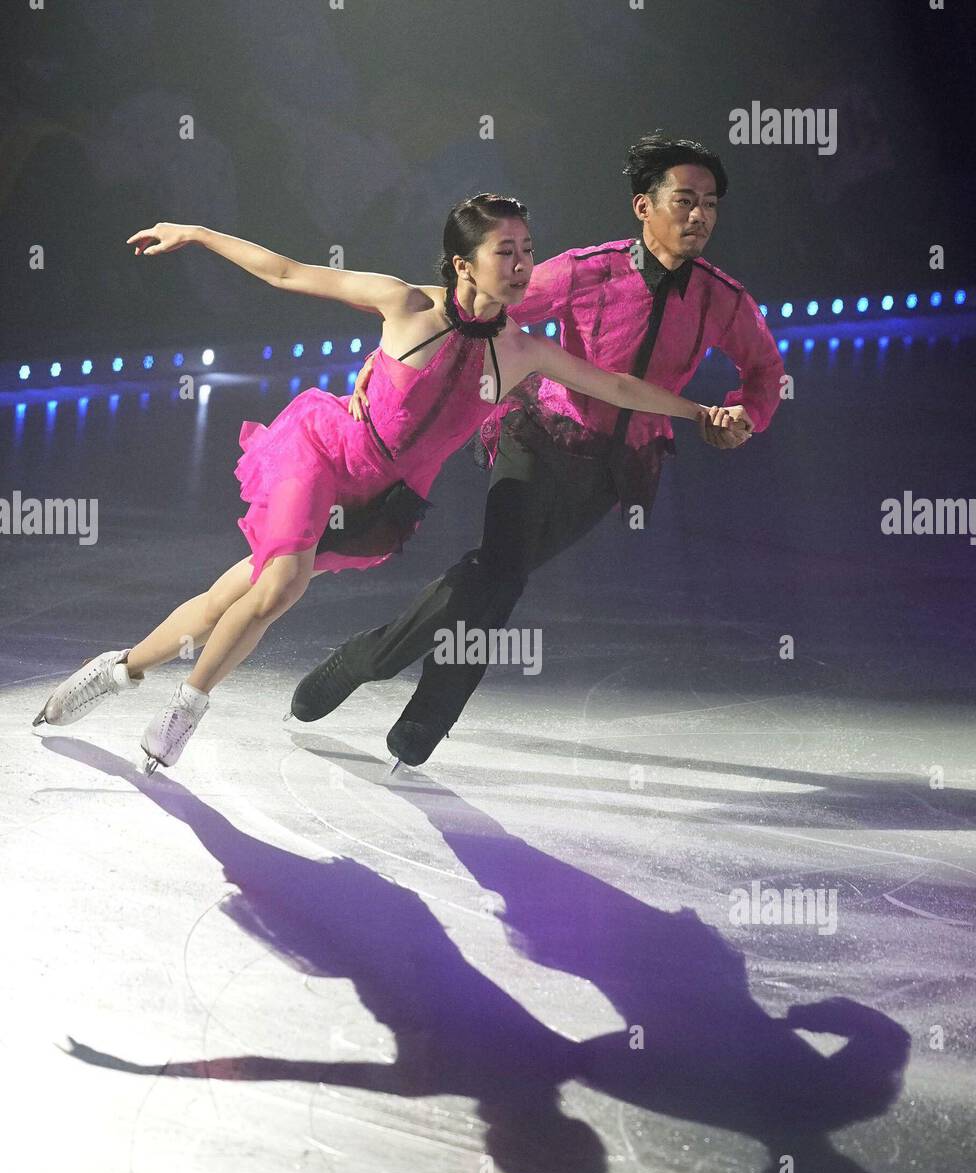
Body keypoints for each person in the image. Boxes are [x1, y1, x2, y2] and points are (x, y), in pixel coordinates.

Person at [32, 194, 744, 773]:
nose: (525, 264)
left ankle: (119, 668)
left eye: (528, 250)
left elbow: (618, 384)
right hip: (325, 455)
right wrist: (196, 230)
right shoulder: (402, 303)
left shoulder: (524, 351)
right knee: (281, 587)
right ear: (464, 263)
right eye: (507, 251)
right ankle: (185, 711)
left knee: (235, 594)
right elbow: (286, 272)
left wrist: (699, 410)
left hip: (378, 505)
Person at [291, 133, 782, 765]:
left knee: (501, 575)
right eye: (684, 201)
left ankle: (371, 659)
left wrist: (744, 415)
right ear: (643, 207)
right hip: (541, 431)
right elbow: (477, 300)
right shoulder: (589, 268)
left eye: (709, 204)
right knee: (502, 567)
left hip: (616, 465)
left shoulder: (724, 299)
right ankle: (415, 711)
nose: (699, 216)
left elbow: (765, 375)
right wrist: (390, 355)